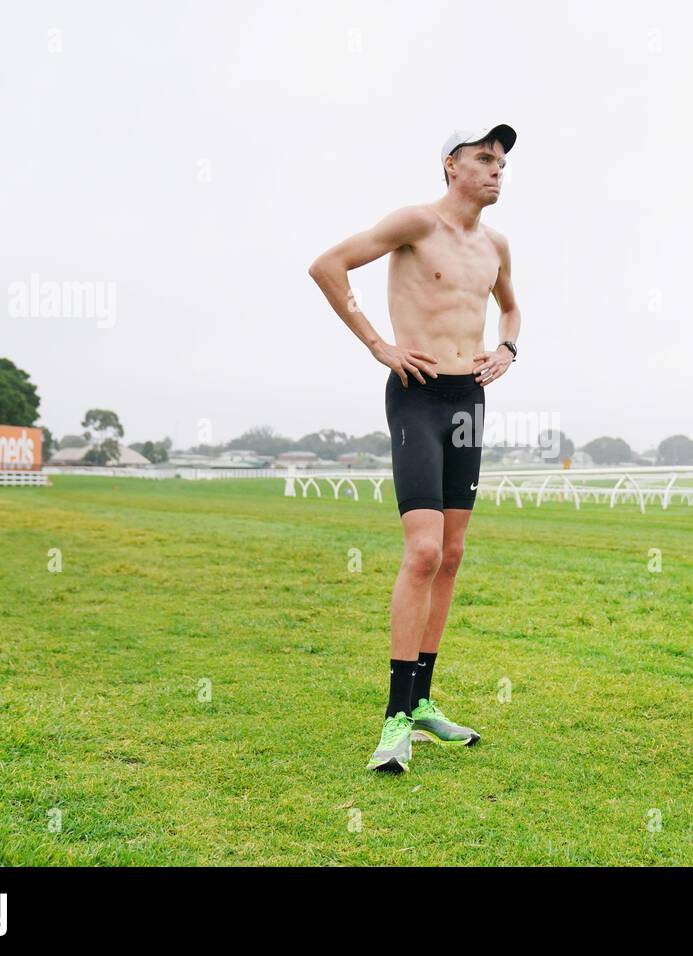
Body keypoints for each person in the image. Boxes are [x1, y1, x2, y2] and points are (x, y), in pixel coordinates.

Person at [308, 124, 522, 773]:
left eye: (502, 162)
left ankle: (425, 703)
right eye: (485, 159)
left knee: (452, 553)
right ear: (451, 166)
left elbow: (511, 310)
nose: (497, 171)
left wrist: (508, 350)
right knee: (423, 548)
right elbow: (327, 265)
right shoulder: (414, 222)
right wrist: (378, 345)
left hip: (468, 399)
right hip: (418, 393)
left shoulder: (496, 245)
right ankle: (396, 717)